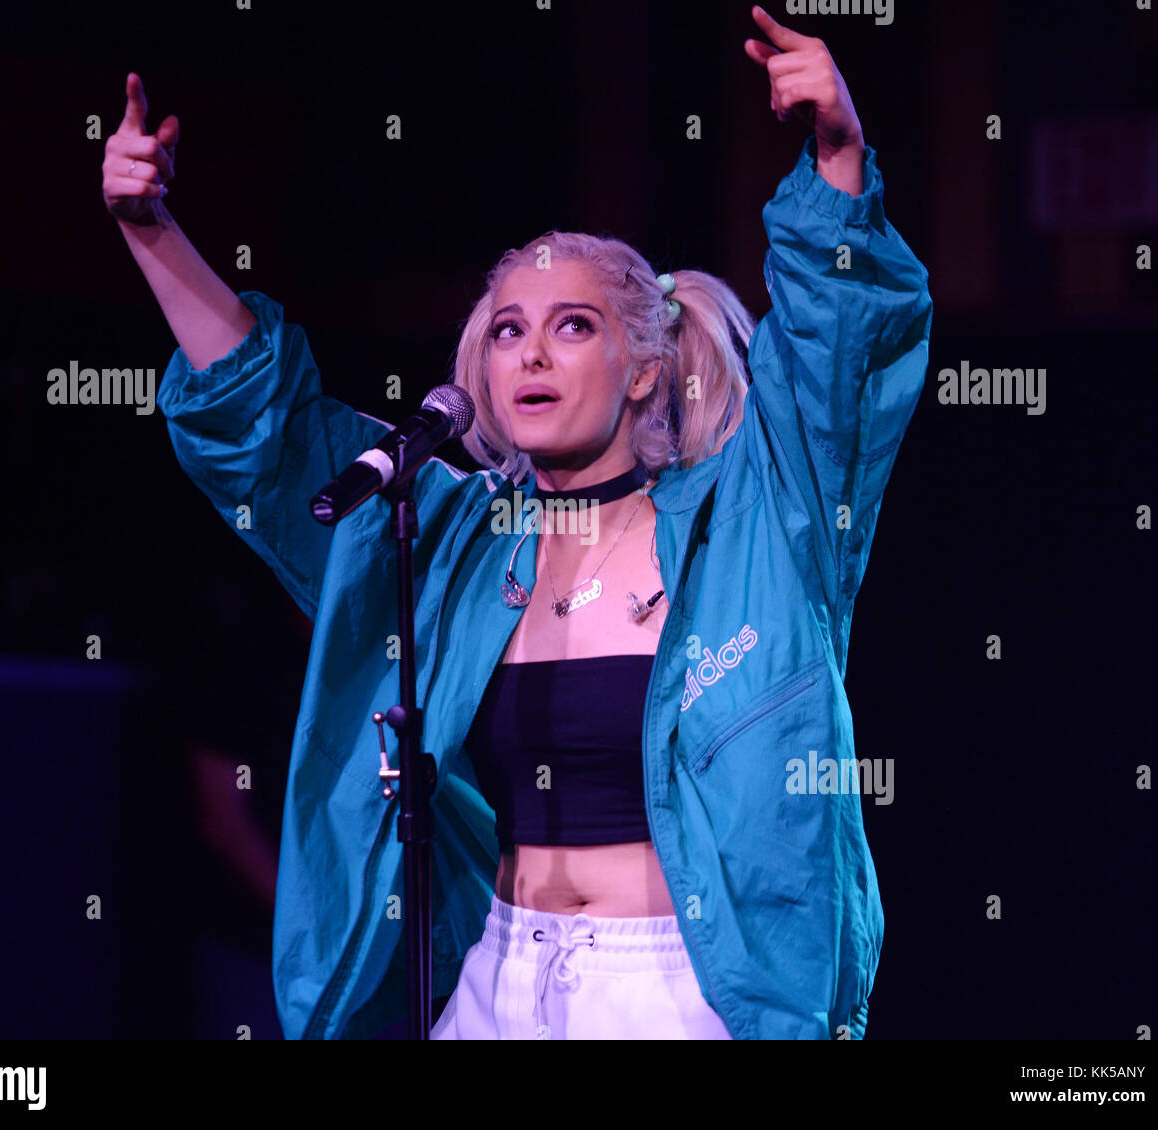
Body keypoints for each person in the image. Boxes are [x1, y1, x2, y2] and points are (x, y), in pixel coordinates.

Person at [102, 4, 933, 1039]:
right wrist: (153, 231)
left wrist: (837, 154)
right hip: (499, 982)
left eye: (571, 325)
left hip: (680, 992)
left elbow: (836, 361)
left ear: (642, 368)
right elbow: (267, 432)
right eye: (507, 330)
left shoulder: (748, 526)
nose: (531, 353)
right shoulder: (446, 539)